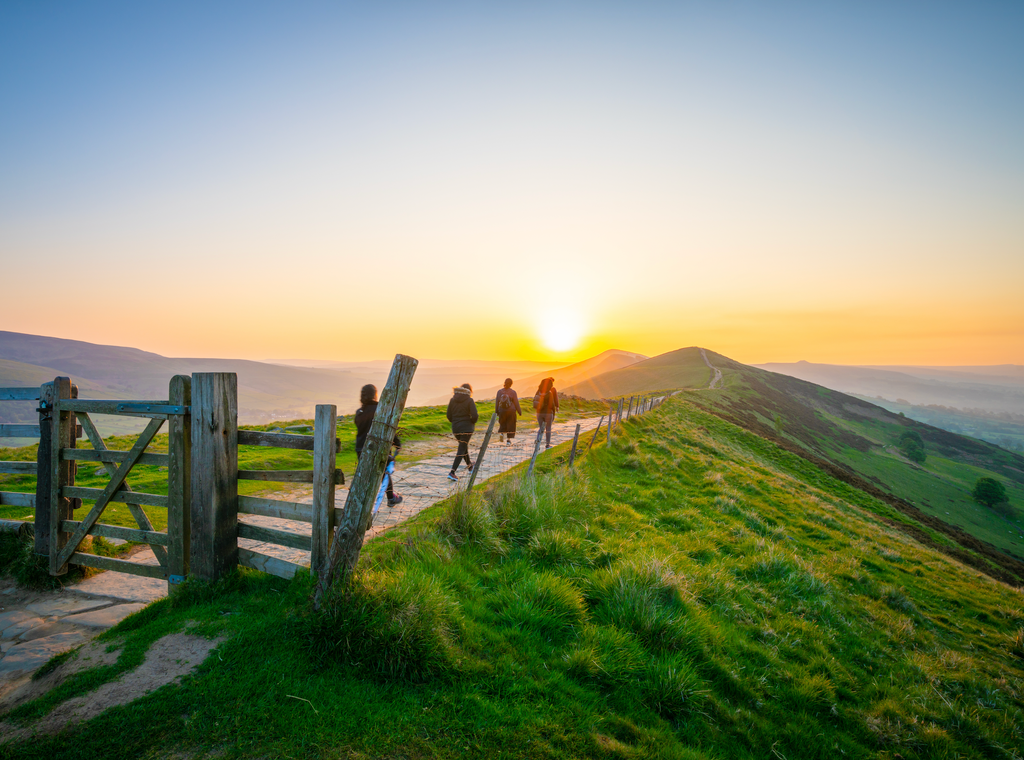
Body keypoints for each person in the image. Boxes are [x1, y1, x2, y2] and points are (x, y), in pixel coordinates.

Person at [353, 384, 402, 507]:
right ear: (375, 394)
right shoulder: (380, 409)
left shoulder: (359, 412)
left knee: (365, 475)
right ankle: (391, 498)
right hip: (378, 447)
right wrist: (397, 443)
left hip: (361, 449)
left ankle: (361, 503)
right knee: (383, 473)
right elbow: (389, 428)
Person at [446, 383, 478, 480]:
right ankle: (452, 472)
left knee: (463, 447)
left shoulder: (452, 400)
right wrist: (471, 422)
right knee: (461, 449)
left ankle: (470, 466)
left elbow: (448, 415)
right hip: (466, 428)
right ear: (469, 391)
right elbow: (475, 416)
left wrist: (455, 422)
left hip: (455, 428)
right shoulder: (469, 400)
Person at [533, 377, 559, 448]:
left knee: (541, 428)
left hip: (539, 413)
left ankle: (538, 443)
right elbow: (552, 405)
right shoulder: (549, 393)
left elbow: (535, 400)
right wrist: (553, 412)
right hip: (548, 413)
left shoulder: (538, 392)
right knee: (548, 428)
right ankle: (547, 445)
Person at [495, 378, 521, 444]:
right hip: (511, 411)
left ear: (504, 383)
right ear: (511, 384)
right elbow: (516, 403)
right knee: (511, 425)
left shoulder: (499, 392)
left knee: (502, 423)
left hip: (502, 410)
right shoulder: (513, 392)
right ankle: (508, 440)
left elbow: (497, 402)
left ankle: (501, 433)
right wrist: (519, 411)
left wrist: (496, 411)